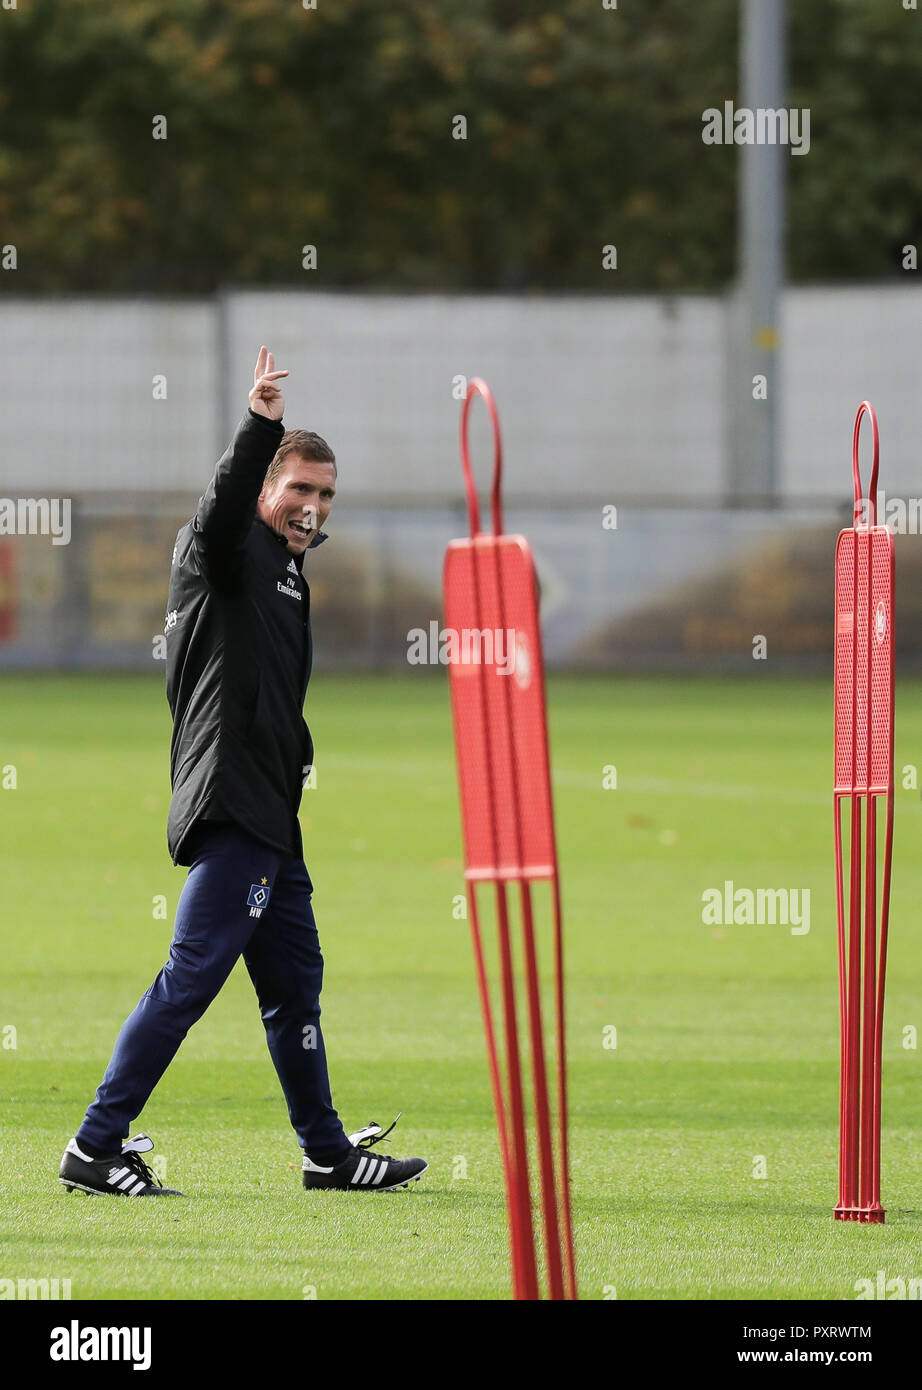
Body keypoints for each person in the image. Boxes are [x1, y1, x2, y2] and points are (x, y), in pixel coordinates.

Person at [59, 347, 427, 1197]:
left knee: (296, 990)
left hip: (273, 817)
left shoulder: (288, 576)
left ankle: (328, 1155)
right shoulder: (221, 554)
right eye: (299, 487)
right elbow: (221, 514)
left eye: (326, 494)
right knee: (190, 978)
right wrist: (257, 427)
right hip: (233, 808)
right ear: (268, 488)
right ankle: (95, 1145)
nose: (312, 505)